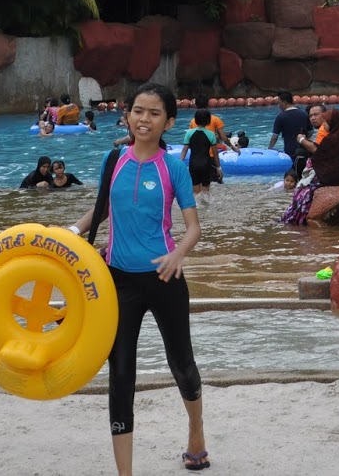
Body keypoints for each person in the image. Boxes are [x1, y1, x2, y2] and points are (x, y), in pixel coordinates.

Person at [69, 83, 208, 475]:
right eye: (138, 111)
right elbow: (100, 212)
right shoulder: (113, 160)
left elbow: (193, 227)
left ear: (168, 122)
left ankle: (196, 430)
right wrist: (66, 233)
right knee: (121, 374)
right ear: (127, 114)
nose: (143, 119)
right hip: (118, 282)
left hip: (164, 279)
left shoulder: (174, 168)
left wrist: (178, 253)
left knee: (182, 365)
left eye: (153, 113)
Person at [303, 108, 339, 187]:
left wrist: (302, 140)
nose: (323, 125)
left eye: (325, 122)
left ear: (333, 122)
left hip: (332, 180)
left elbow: (318, 154)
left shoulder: (331, 139)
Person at [268, 91, 312, 173]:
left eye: (279, 103)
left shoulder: (281, 116)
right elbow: (310, 132)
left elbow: (275, 137)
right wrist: (305, 140)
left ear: (284, 102)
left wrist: (269, 149)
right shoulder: (304, 114)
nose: (278, 105)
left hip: (290, 152)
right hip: (305, 149)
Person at [184, 111, 218, 201]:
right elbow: (215, 153)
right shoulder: (211, 134)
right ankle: (207, 210)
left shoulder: (189, 133)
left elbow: (184, 150)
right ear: (208, 121)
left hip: (193, 164)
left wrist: (180, 164)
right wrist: (218, 167)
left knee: (195, 193)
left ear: (195, 120)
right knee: (206, 192)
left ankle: (197, 211)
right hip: (206, 164)